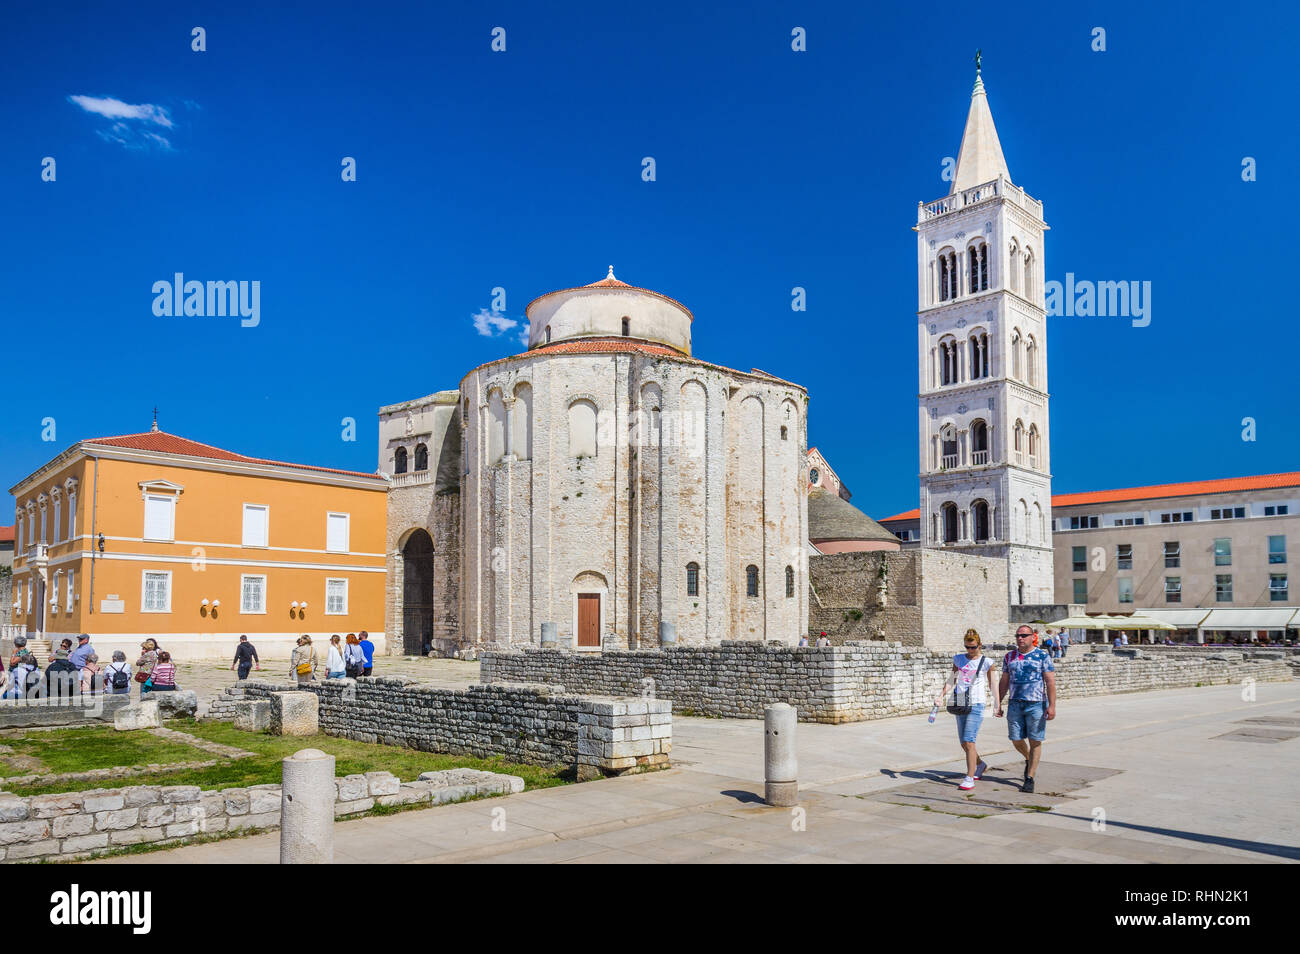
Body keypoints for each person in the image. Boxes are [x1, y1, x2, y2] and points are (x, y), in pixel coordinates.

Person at [934, 628, 1000, 791]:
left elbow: (993, 684)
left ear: (980, 645)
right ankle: (980, 764)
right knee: (964, 743)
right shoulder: (958, 659)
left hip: (977, 703)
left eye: (973, 647)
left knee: (969, 741)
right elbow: (952, 679)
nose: (970, 651)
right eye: (967, 647)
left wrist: (997, 704)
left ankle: (969, 777)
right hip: (961, 702)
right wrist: (941, 695)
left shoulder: (987, 662)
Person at [997, 625, 1057, 793]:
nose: (1020, 638)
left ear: (1033, 637)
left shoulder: (1042, 656)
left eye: (1024, 635)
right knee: (1015, 739)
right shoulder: (1010, 657)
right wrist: (998, 702)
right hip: (1015, 703)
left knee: (1035, 740)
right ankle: (1029, 759)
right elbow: (1004, 681)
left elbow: (1050, 682)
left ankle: (1029, 777)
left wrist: (1052, 706)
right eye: (1018, 635)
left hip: (1036, 703)